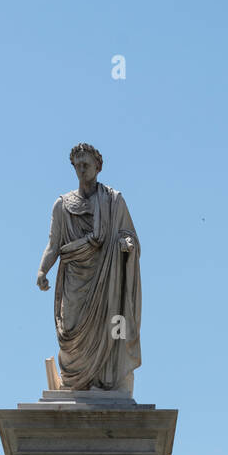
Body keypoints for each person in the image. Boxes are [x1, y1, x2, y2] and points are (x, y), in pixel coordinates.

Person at [37, 143, 141, 393]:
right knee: (70, 332)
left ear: (98, 167)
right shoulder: (62, 205)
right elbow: (53, 244)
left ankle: (105, 381)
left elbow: (130, 236)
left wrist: (126, 244)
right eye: (78, 165)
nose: (82, 169)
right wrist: (42, 271)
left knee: (110, 327)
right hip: (74, 278)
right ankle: (75, 383)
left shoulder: (114, 201)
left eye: (87, 165)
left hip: (107, 279)